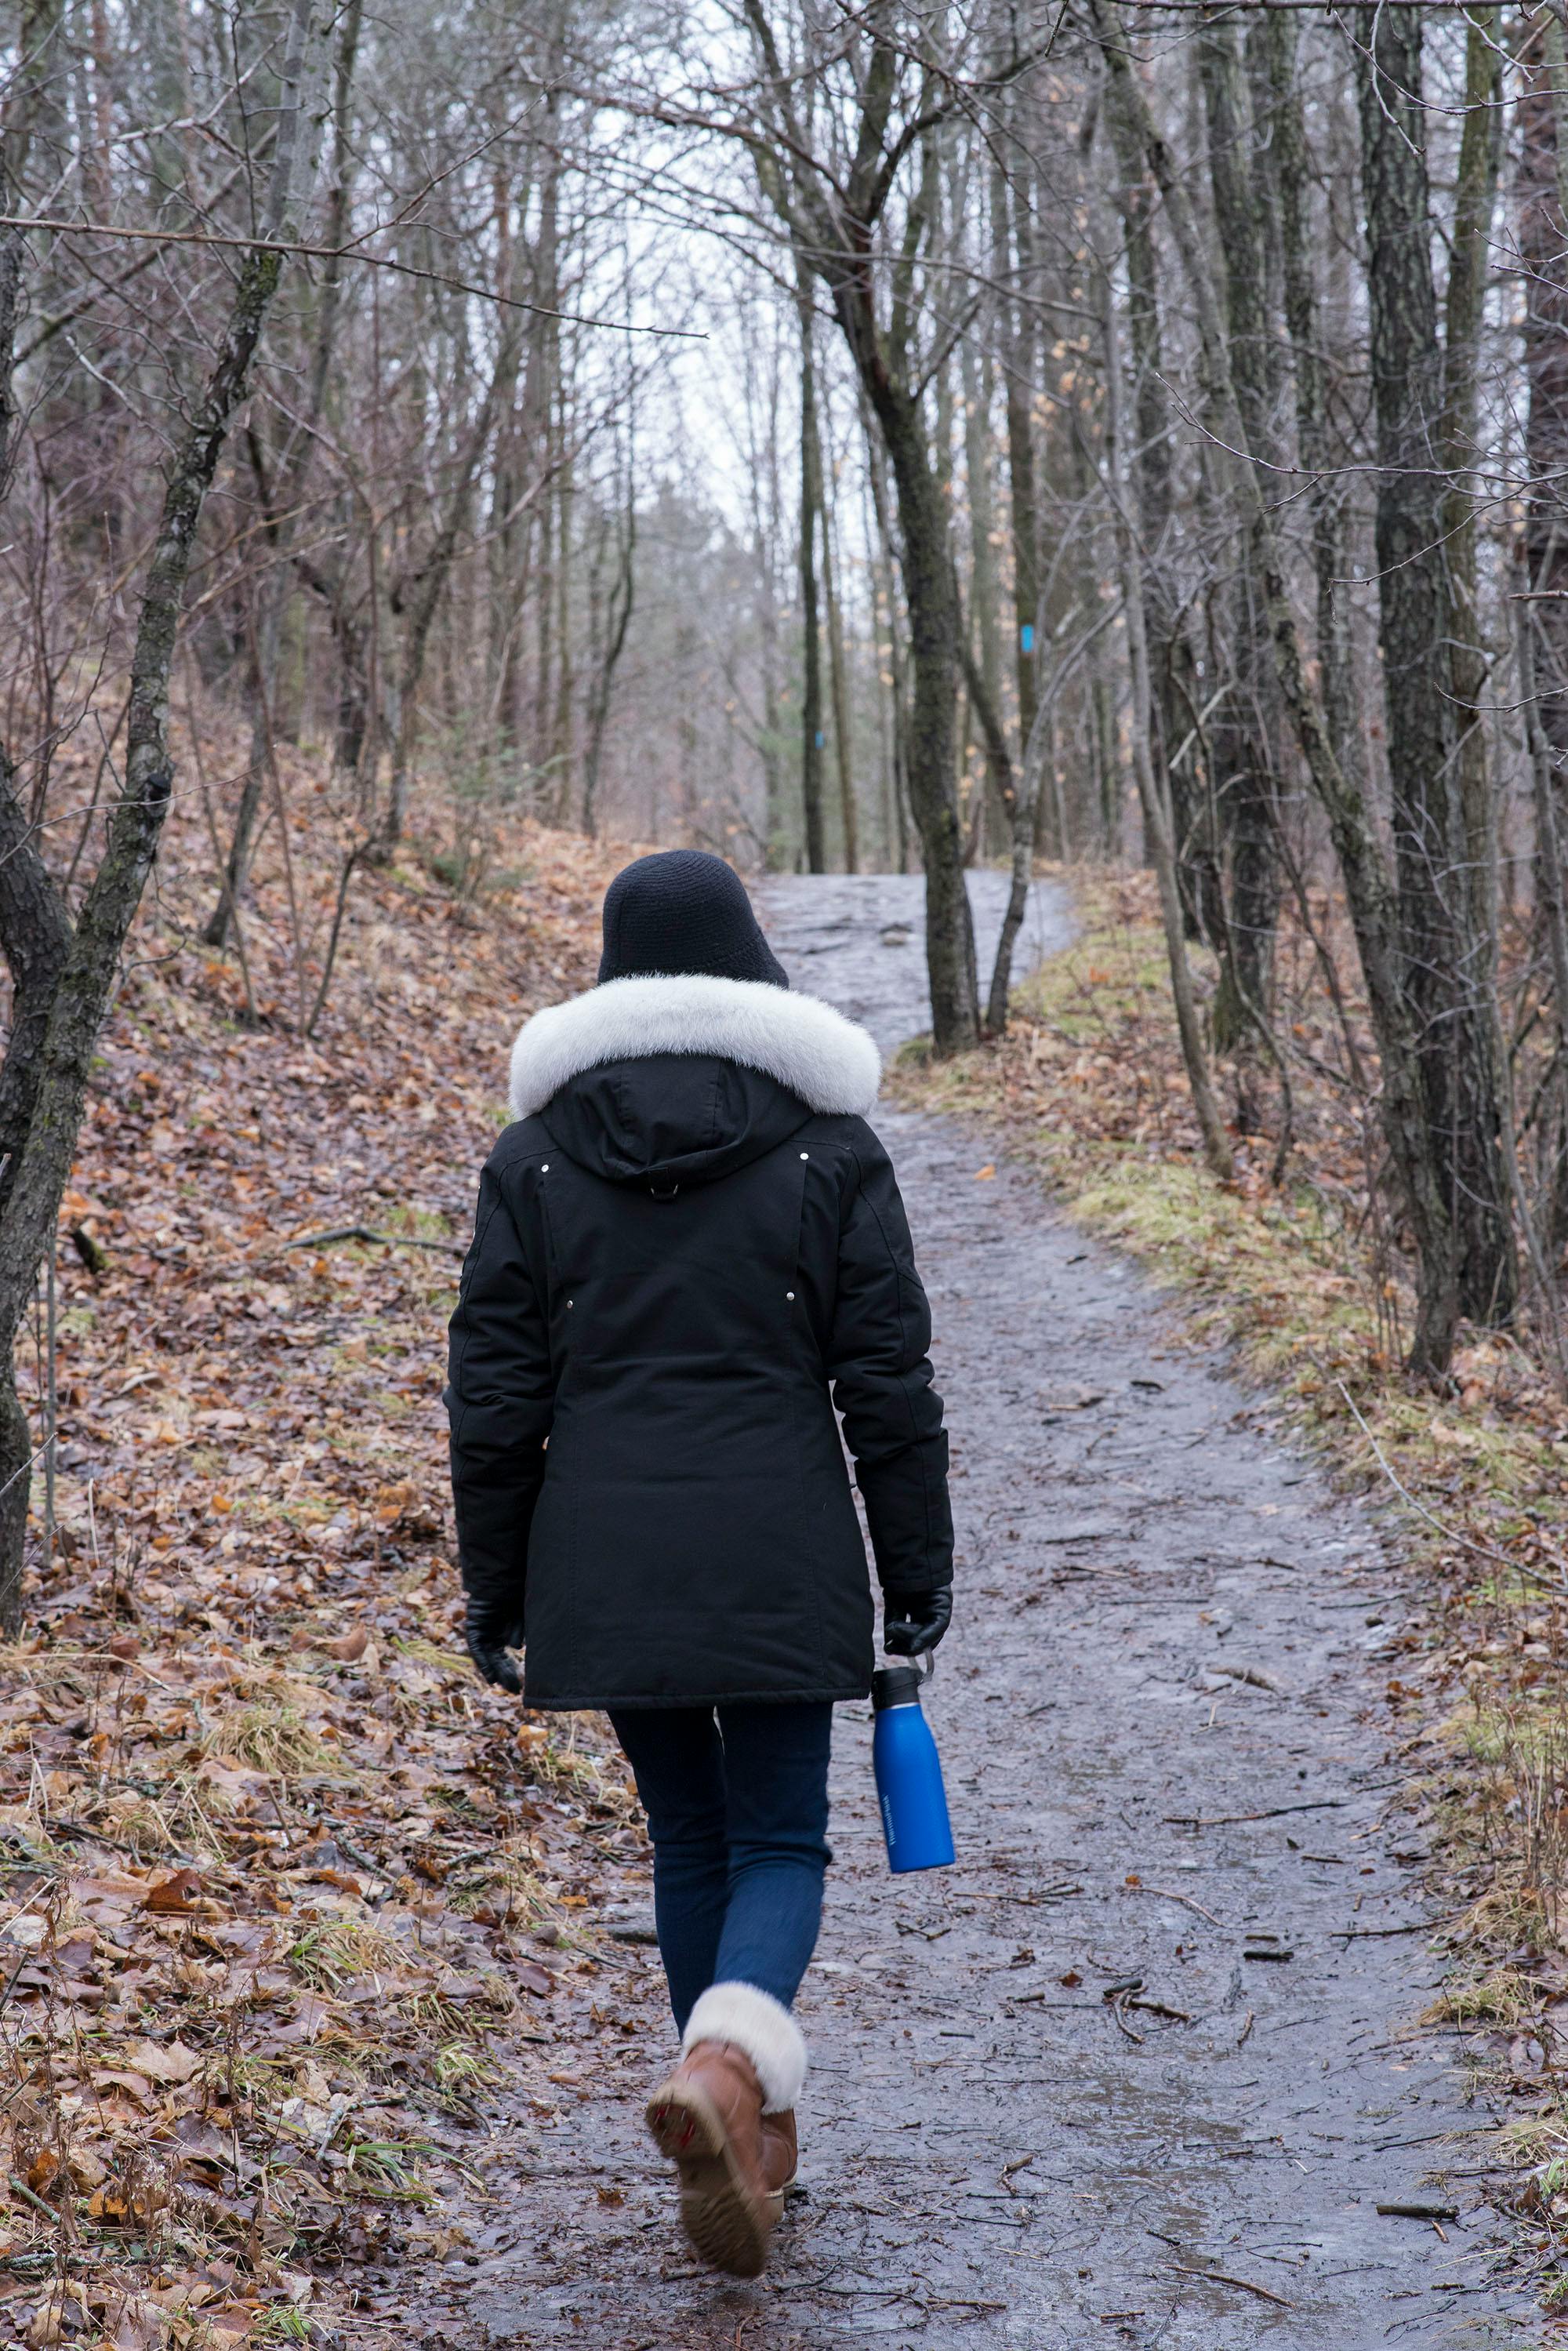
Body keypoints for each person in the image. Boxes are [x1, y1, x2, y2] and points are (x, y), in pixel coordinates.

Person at [445, 848, 953, 2277]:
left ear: (616, 971)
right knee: (783, 1835)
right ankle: (732, 2077)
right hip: (782, 1547)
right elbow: (889, 1384)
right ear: (751, 965)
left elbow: (491, 1395)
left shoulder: (534, 1157)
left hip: (603, 1559)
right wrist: (914, 1570)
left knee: (691, 1838)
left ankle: (745, 2131)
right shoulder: (831, 1143)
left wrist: (498, 1582)